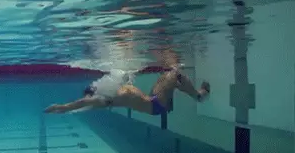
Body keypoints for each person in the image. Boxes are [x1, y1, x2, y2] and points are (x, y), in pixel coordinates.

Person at [43, 64, 210, 115]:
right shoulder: (103, 99)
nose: (97, 84)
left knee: (169, 77)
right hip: (155, 105)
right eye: (93, 88)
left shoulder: (111, 90)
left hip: (152, 98)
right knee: (175, 75)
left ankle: (179, 94)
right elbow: (82, 103)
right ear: (94, 92)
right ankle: (199, 96)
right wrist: (62, 107)